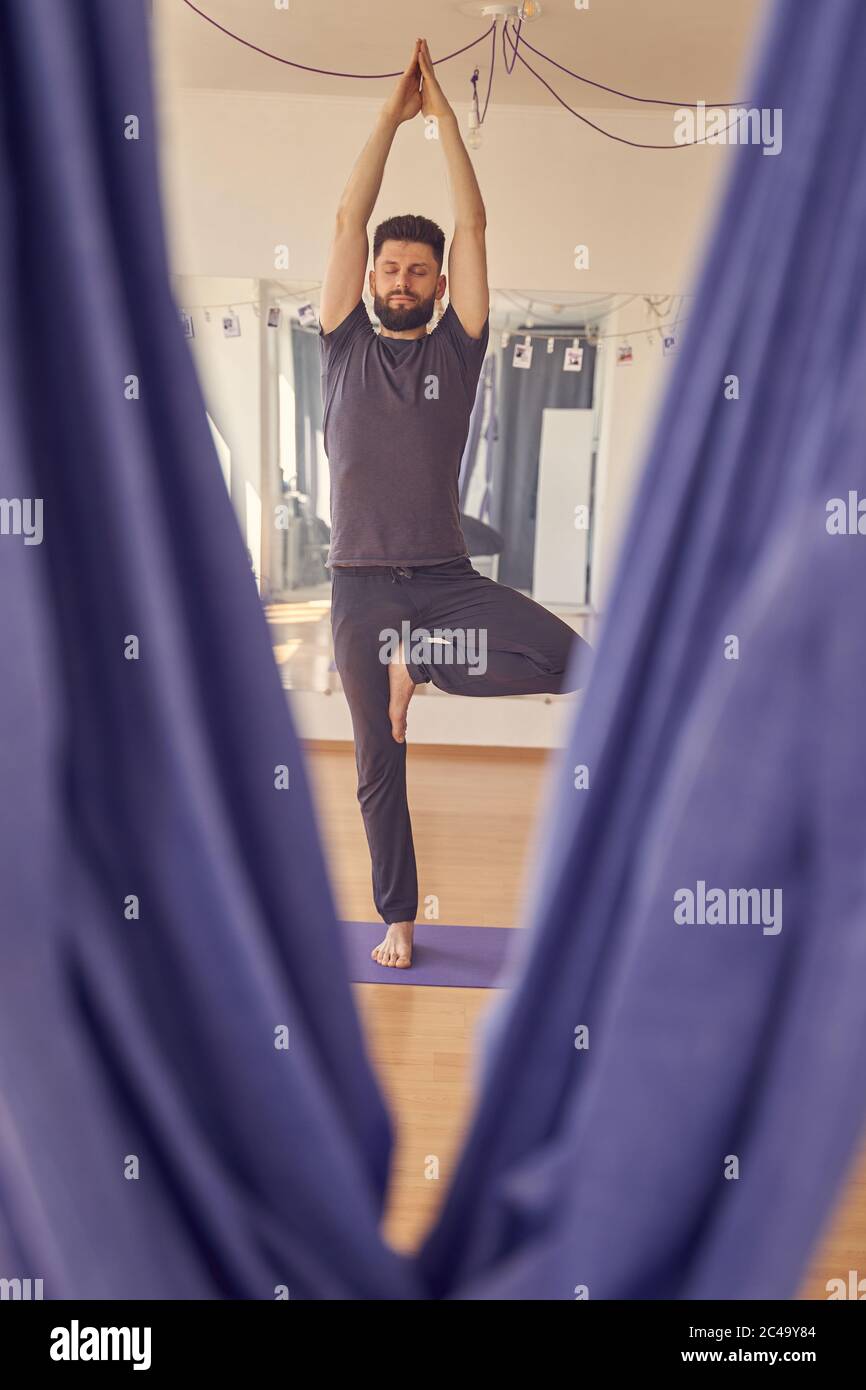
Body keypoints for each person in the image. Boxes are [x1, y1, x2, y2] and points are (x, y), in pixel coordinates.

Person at [319, 38, 591, 968]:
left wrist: (441, 123)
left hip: (444, 580)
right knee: (377, 761)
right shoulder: (342, 344)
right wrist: (387, 119)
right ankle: (398, 918)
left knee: (575, 661)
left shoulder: (457, 352)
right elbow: (348, 218)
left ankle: (425, 662)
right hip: (360, 586)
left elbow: (473, 224)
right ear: (372, 280)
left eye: (418, 271)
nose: (402, 279)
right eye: (390, 268)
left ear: (438, 287)